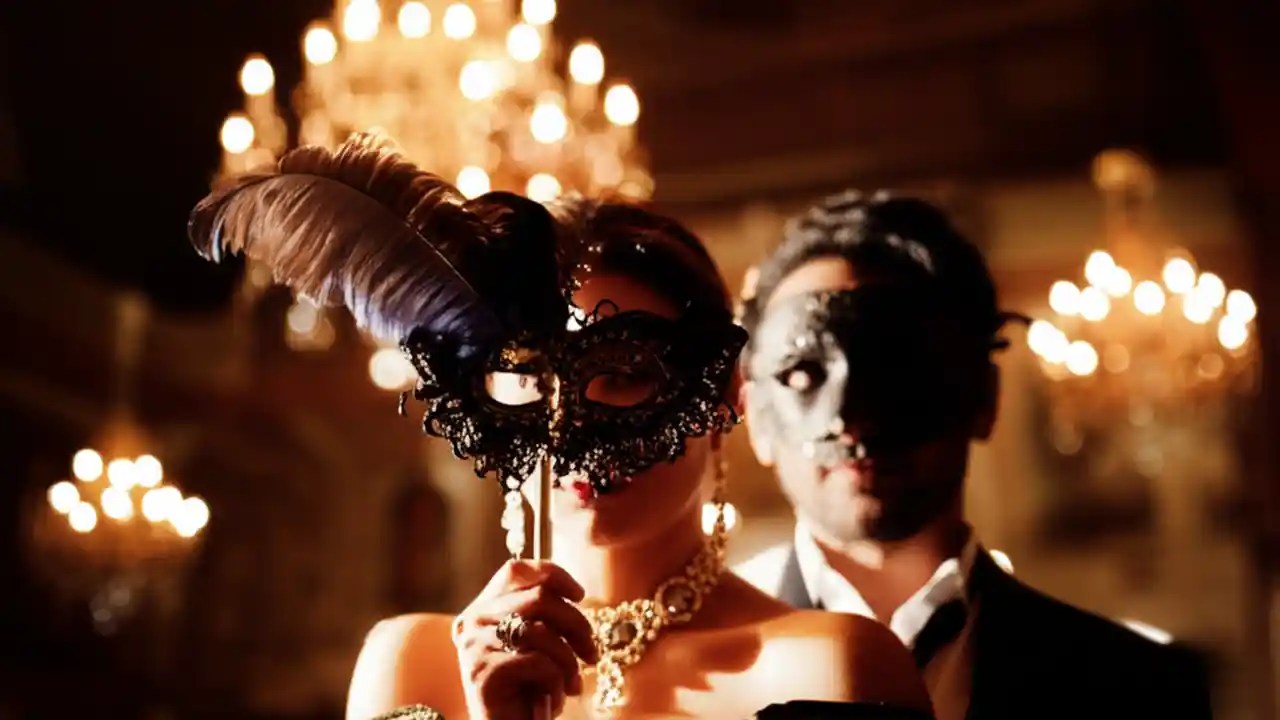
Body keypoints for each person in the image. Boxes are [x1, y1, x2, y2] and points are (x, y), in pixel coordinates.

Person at [344, 196, 933, 719]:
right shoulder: (410, 670)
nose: (571, 429)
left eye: (625, 375)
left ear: (723, 396)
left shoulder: (833, 671)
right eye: (529, 376)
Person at [735, 191, 1213, 720]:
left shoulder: (1140, 688)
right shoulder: (679, 680)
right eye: (803, 373)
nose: (853, 417)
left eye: (901, 367)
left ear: (984, 397)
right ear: (756, 417)